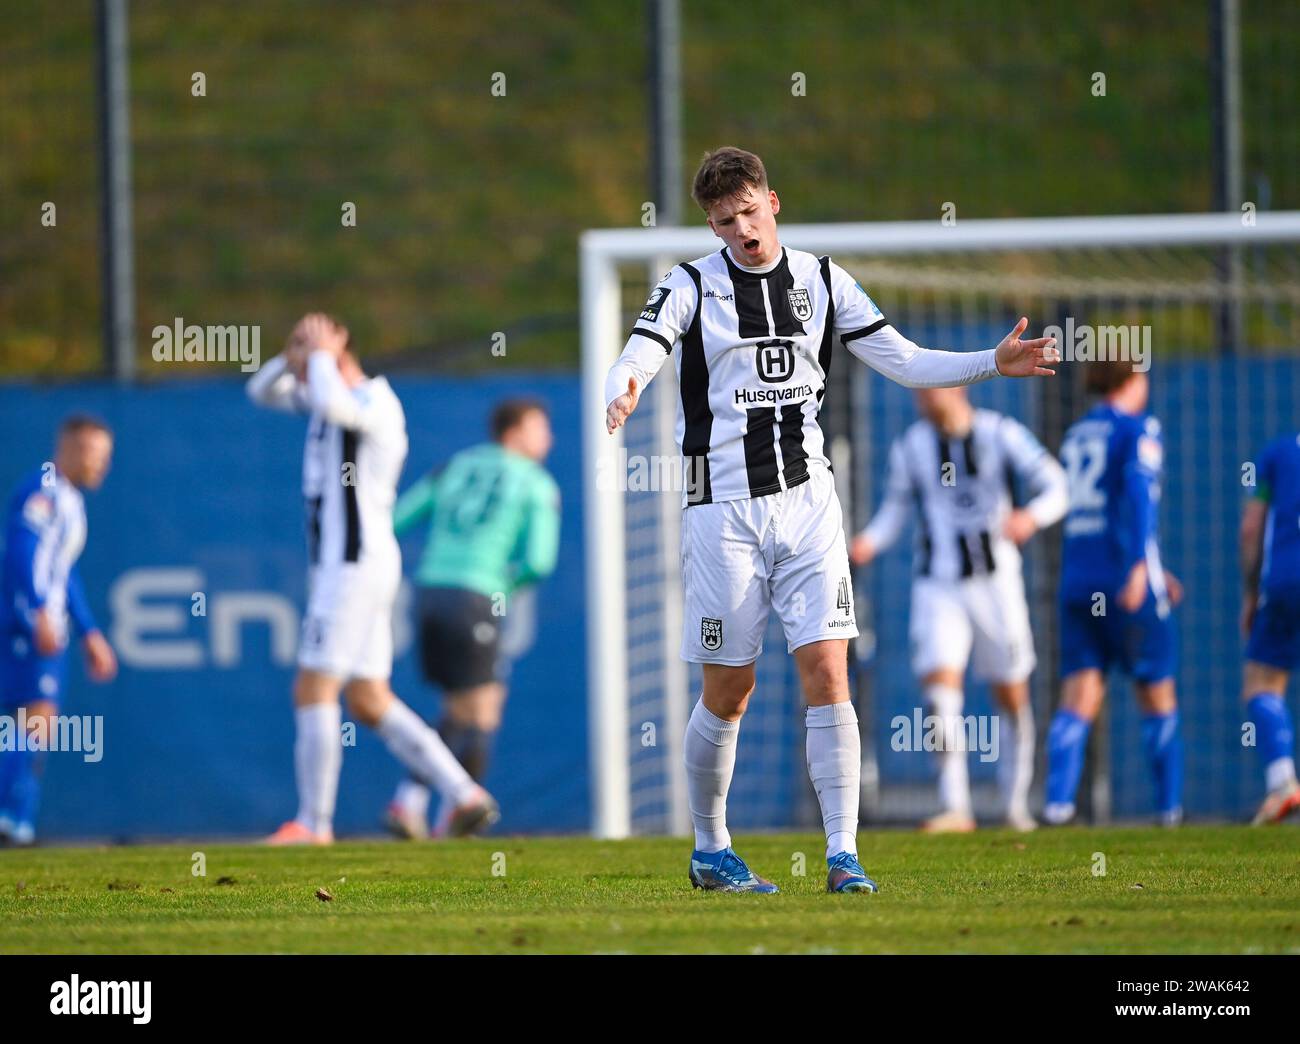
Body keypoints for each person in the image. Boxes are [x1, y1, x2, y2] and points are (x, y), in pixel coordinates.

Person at [603, 146, 1060, 893]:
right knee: (730, 690)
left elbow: (905, 361)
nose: (741, 230)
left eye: (749, 212)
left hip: (810, 505)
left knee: (828, 670)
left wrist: (990, 361)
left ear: (772, 202)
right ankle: (711, 848)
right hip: (723, 512)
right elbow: (645, 345)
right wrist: (625, 385)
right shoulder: (689, 285)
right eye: (724, 221)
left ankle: (843, 854)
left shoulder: (821, 279)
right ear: (711, 226)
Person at [247, 312, 497, 845]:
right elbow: (261, 392)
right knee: (367, 698)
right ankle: (465, 794)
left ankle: (313, 824)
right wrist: (294, 356)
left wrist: (319, 354)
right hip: (352, 567)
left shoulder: (373, 401)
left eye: (314, 349)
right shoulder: (321, 395)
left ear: (338, 353)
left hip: (353, 566)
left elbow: (337, 403)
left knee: (313, 686)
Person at [851, 386, 1067, 832]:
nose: (924, 400)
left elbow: (1057, 485)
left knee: (1011, 694)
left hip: (996, 585)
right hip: (938, 586)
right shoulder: (911, 446)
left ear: (958, 386)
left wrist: (1032, 517)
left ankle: (1014, 805)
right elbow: (895, 510)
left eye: (932, 389)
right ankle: (956, 807)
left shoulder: (1001, 433)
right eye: (918, 393)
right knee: (939, 688)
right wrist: (868, 542)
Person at [384, 398, 560, 838]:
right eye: (540, 428)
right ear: (516, 432)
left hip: (428, 591)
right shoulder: (536, 482)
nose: (548, 439)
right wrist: (502, 587)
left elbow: (396, 519)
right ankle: (451, 813)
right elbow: (539, 562)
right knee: (482, 708)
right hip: (477, 595)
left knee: (458, 705)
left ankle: (417, 803)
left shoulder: (456, 465)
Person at [1044, 358, 1184, 826]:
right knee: (1157, 693)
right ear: (1132, 379)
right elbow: (1139, 495)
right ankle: (1169, 812)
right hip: (1124, 579)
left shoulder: (1077, 433)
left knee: (1079, 695)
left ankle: (1057, 807)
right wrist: (1142, 569)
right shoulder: (1138, 429)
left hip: (1078, 580)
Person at [0, 415, 118, 846]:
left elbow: (63, 572)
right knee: (34, 722)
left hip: (41, 624)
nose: (100, 464)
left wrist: (89, 632)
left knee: (33, 724)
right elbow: (20, 551)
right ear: (67, 448)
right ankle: (12, 819)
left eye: (105, 456)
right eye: (93, 453)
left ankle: (18, 821)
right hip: (25, 625)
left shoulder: (68, 498)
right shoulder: (44, 489)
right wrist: (37, 611)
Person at [1239, 430, 1300, 824]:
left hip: (1286, 583)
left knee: (1262, 683)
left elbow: (1251, 528)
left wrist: (1249, 593)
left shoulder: (1278, 453)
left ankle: (1282, 782)